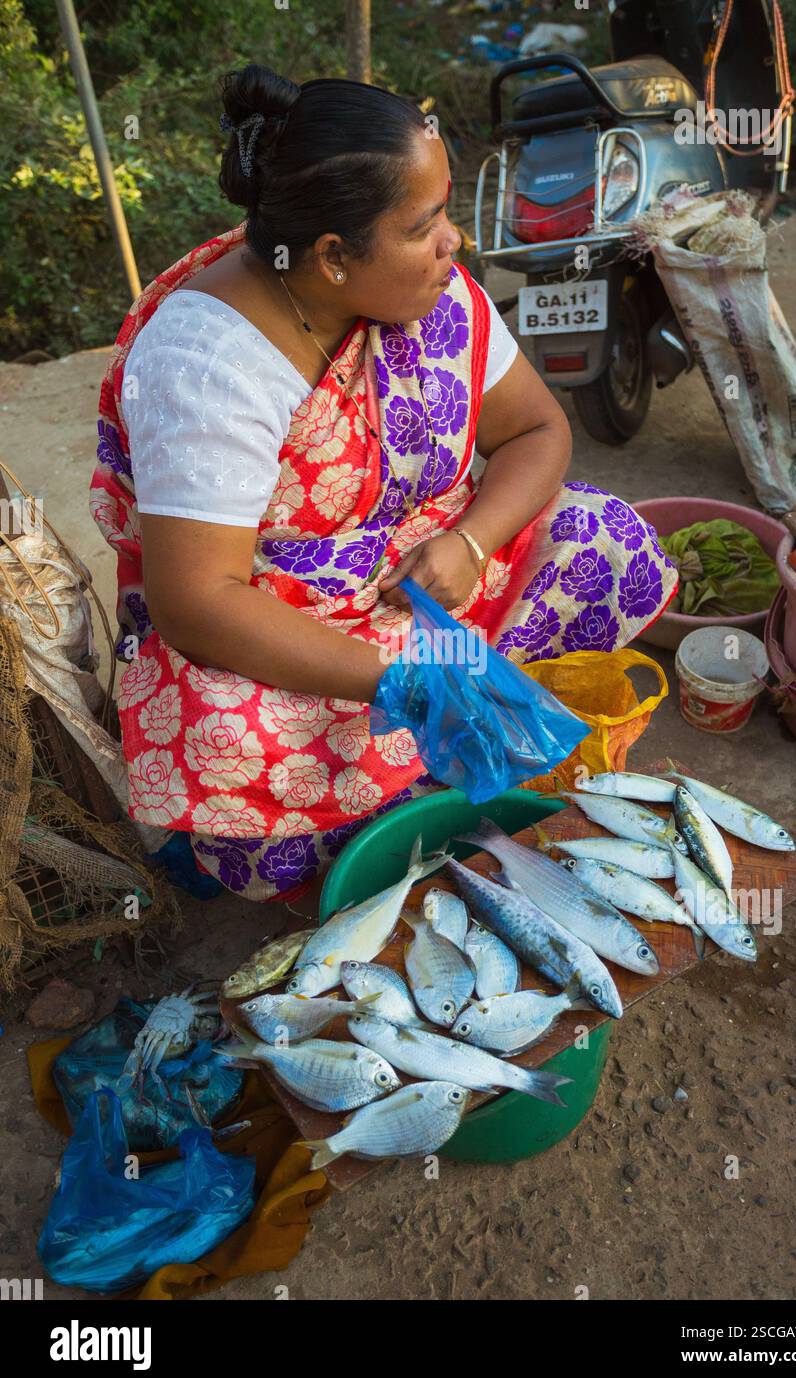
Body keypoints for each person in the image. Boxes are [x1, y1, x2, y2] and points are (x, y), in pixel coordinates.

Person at [90, 64, 678, 904]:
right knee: (236, 744)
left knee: (602, 540)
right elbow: (198, 602)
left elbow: (538, 431)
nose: (455, 242)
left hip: (433, 578)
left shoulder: (426, 290)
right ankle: (398, 772)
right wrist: (398, 683)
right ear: (332, 257)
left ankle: (424, 764)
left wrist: (470, 543)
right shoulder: (207, 363)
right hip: (281, 626)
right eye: (427, 222)